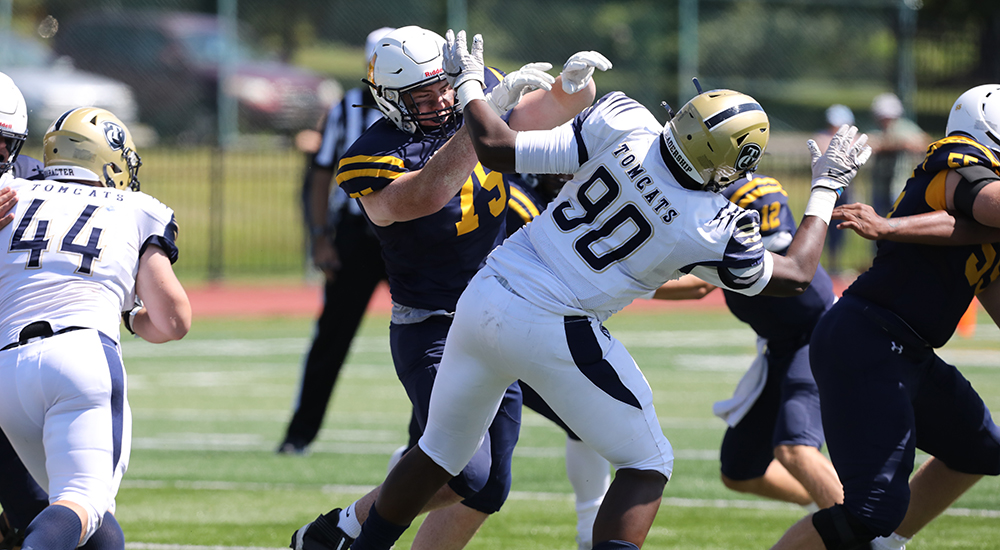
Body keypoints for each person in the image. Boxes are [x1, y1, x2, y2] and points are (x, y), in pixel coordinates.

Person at [333, 30, 871, 550]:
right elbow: (797, 274)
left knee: (439, 455)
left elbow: (498, 148)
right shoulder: (712, 224)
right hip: (552, 322)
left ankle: (354, 544)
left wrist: (476, 87)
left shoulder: (625, 122)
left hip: (486, 292)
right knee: (647, 461)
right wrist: (825, 186)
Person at [290, 26, 608, 550]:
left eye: (445, 86)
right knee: (466, 473)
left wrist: (573, 90)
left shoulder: (475, 98)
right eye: (422, 94)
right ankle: (340, 529)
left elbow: (545, 116)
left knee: (486, 489)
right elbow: (429, 193)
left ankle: (348, 526)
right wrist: (483, 107)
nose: (441, 100)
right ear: (389, 98)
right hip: (433, 327)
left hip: (499, 315)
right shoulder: (370, 151)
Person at [769, 84, 1000, 550]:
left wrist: (892, 226)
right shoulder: (959, 157)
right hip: (869, 337)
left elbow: (980, 252)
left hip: (905, 347)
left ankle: (885, 546)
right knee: (869, 509)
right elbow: (987, 204)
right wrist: (891, 227)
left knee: (980, 449)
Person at [0, 105, 191, 550]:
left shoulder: (12, 193)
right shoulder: (139, 208)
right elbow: (174, 320)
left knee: (90, 521)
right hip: (81, 357)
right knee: (83, 501)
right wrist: (129, 316)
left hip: (8, 369)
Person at [655, 172, 843, 514]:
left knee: (794, 449)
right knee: (740, 470)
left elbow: (703, 283)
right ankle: (831, 506)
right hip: (781, 349)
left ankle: (874, 534)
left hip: (819, 338)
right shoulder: (719, 222)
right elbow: (701, 285)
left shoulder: (742, 225)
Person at [278, 26, 395, 456]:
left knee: (435, 332)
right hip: (356, 236)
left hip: (409, 234)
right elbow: (320, 174)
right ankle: (299, 434)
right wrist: (319, 238)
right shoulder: (348, 107)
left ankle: (428, 440)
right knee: (332, 337)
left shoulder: (429, 105)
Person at [867, 92, 929, 216]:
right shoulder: (875, 129)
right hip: (879, 185)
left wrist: (896, 144)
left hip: (900, 184)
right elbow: (870, 144)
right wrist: (896, 144)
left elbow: (924, 143)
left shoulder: (906, 128)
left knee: (898, 219)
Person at [813, 105, 856, 275]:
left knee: (840, 228)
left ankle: (834, 265)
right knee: (821, 226)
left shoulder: (854, 137)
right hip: (824, 189)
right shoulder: (821, 137)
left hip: (844, 191)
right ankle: (820, 265)